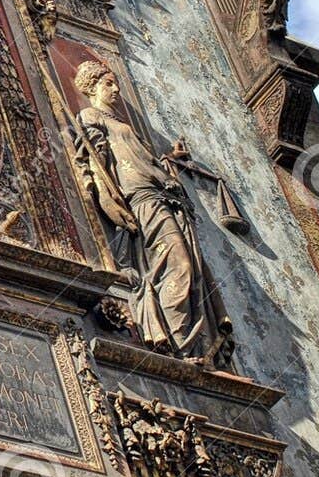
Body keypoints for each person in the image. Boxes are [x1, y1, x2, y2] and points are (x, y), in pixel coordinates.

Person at [71, 60, 232, 364]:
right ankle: (181, 345)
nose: (116, 89)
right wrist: (107, 199)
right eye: (108, 83)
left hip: (164, 196)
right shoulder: (91, 116)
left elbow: (141, 158)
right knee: (178, 263)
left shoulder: (122, 124)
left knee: (190, 264)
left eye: (116, 82)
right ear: (92, 87)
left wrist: (170, 161)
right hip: (142, 200)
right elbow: (96, 160)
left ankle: (197, 348)